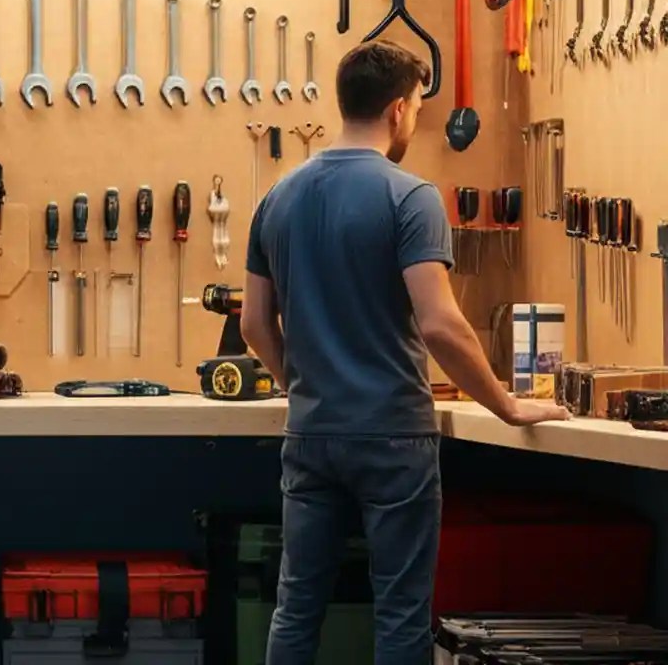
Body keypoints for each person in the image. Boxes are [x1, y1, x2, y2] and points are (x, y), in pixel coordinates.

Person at [239, 40, 571, 665]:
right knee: (399, 613)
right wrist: (507, 406)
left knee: (297, 605)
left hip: (311, 433)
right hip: (392, 436)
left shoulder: (275, 199)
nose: (415, 118)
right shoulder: (409, 196)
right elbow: (442, 325)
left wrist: (303, 384)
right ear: (398, 109)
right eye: (418, 105)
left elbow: (255, 324)